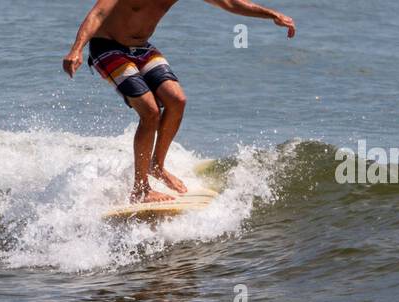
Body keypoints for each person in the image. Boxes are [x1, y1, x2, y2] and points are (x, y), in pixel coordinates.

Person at [63, 1, 296, 203]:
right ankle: (141, 189)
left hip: (142, 49)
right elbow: (98, 13)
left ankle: (157, 166)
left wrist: (272, 14)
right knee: (150, 111)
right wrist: (76, 49)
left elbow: (229, 2)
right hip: (108, 47)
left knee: (177, 100)